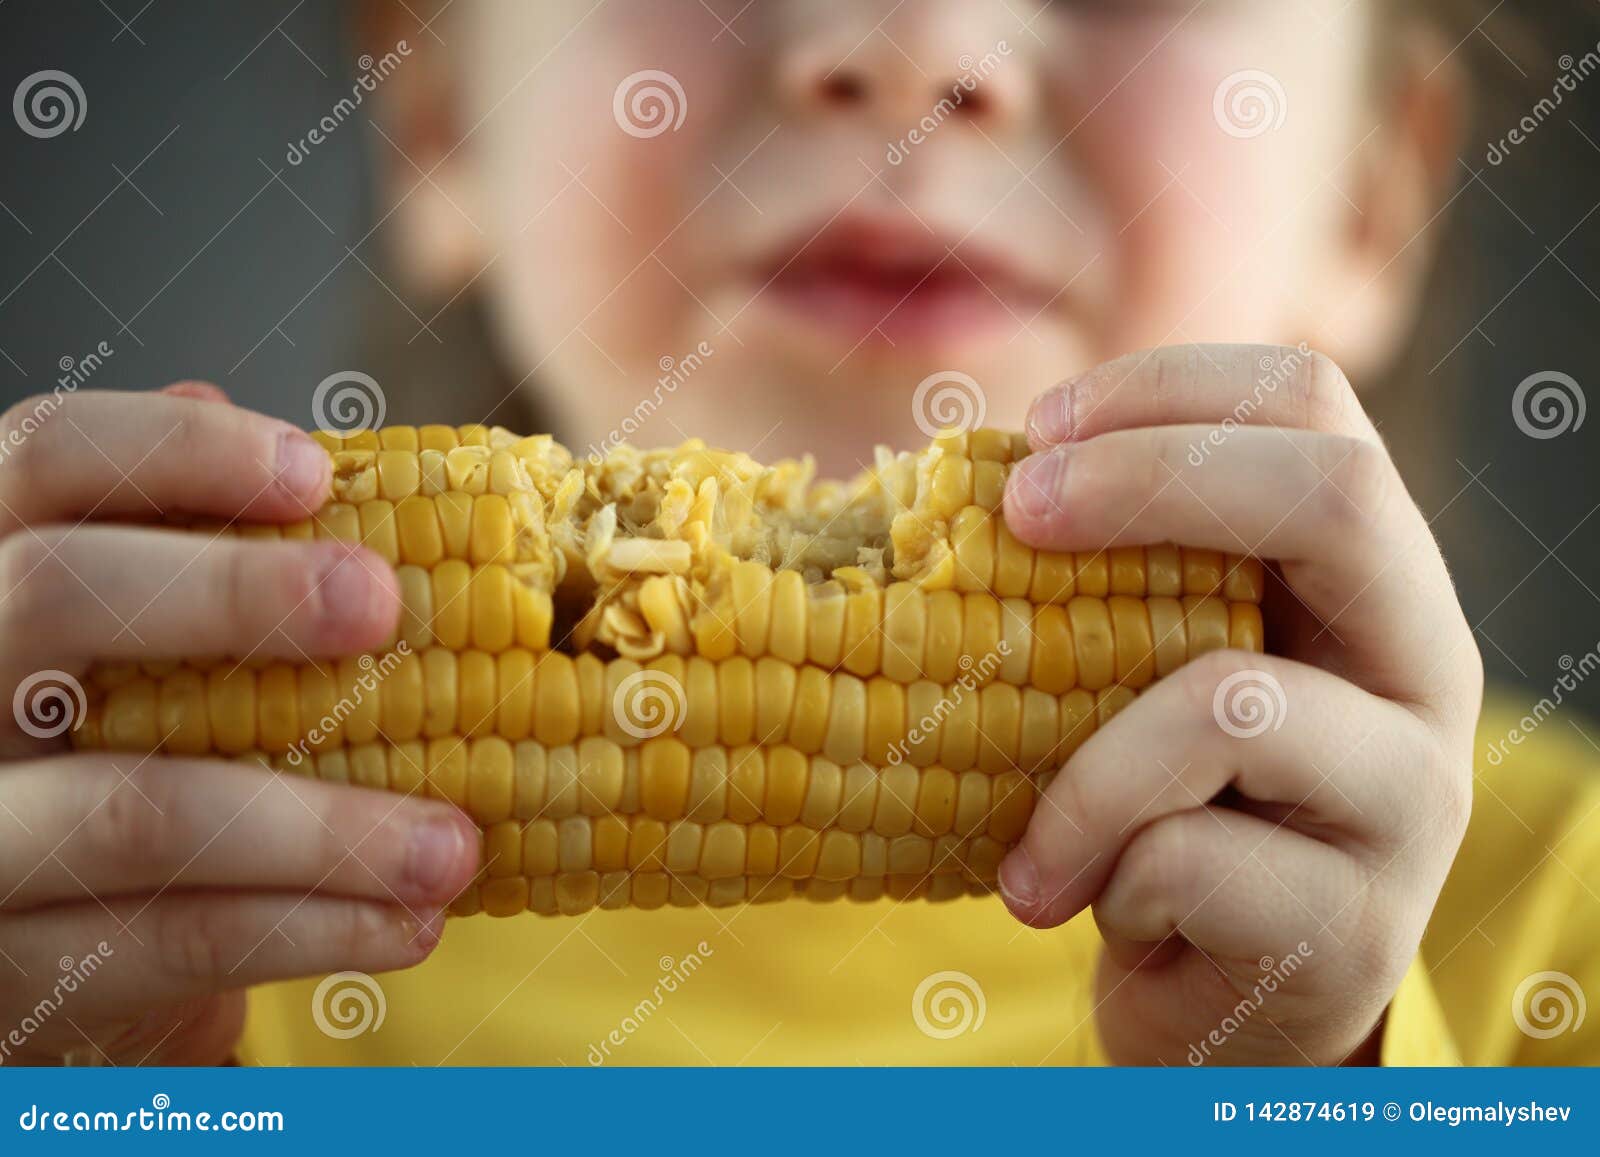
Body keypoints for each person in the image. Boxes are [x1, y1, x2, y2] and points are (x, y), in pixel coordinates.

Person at [1, 0, 1595, 1066]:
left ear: (1373, 193)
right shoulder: (99, 890)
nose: (908, 55)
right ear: (431, 105)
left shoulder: (1558, 916)